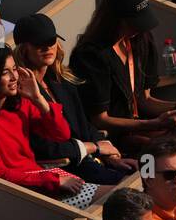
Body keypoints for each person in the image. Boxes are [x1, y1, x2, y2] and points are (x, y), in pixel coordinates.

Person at [0, 43, 103, 209]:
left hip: (41, 179)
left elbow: (61, 134)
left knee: (116, 197)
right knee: (111, 200)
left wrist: (38, 99)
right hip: (19, 194)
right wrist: (52, 180)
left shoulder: (18, 102)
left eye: (15, 69)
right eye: (5, 72)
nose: (14, 77)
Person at [69, 0, 176, 155]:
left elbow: (144, 99)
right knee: (160, 152)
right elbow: (100, 120)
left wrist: (175, 107)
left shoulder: (141, 40)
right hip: (114, 139)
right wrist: (153, 124)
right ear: (115, 19)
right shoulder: (90, 55)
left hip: (141, 128)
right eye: (134, 22)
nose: (139, 28)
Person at [13, 13, 136, 186]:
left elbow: (84, 125)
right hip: (61, 169)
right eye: (39, 44)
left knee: (141, 173)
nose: (47, 47)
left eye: (51, 41)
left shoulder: (62, 80)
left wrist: (109, 155)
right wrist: (95, 147)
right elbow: (40, 146)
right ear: (23, 49)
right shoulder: (19, 93)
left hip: (87, 160)